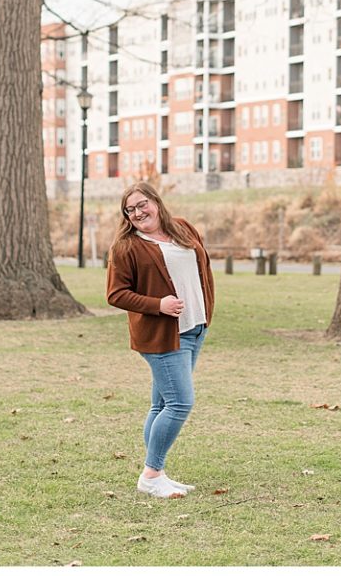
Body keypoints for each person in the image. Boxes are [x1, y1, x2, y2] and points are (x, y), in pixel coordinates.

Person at [107, 179, 216, 498]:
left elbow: (202, 267)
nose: (138, 213)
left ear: (156, 202)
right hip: (162, 335)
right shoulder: (126, 247)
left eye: (143, 205)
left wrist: (205, 310)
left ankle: (158, 473)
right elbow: (116, 294)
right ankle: (151, 474)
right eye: (131, 210)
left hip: (195, 327)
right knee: (180, 402)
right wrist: (159, 305)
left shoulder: (183, 228)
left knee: (162, 404)